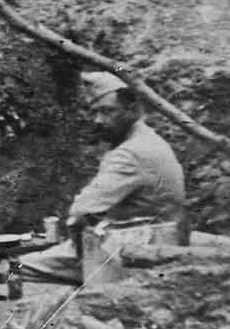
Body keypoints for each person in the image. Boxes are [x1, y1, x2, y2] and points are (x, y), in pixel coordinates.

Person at [18, 71, 186, 283]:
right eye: (94, 112)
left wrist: (78, 247)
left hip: (138, 248)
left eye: (107, 112)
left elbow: (81, 211)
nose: (98, 120)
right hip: (160, 241)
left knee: (17, 268)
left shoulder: (131, 153)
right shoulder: (150, 140)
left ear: (132, 109)